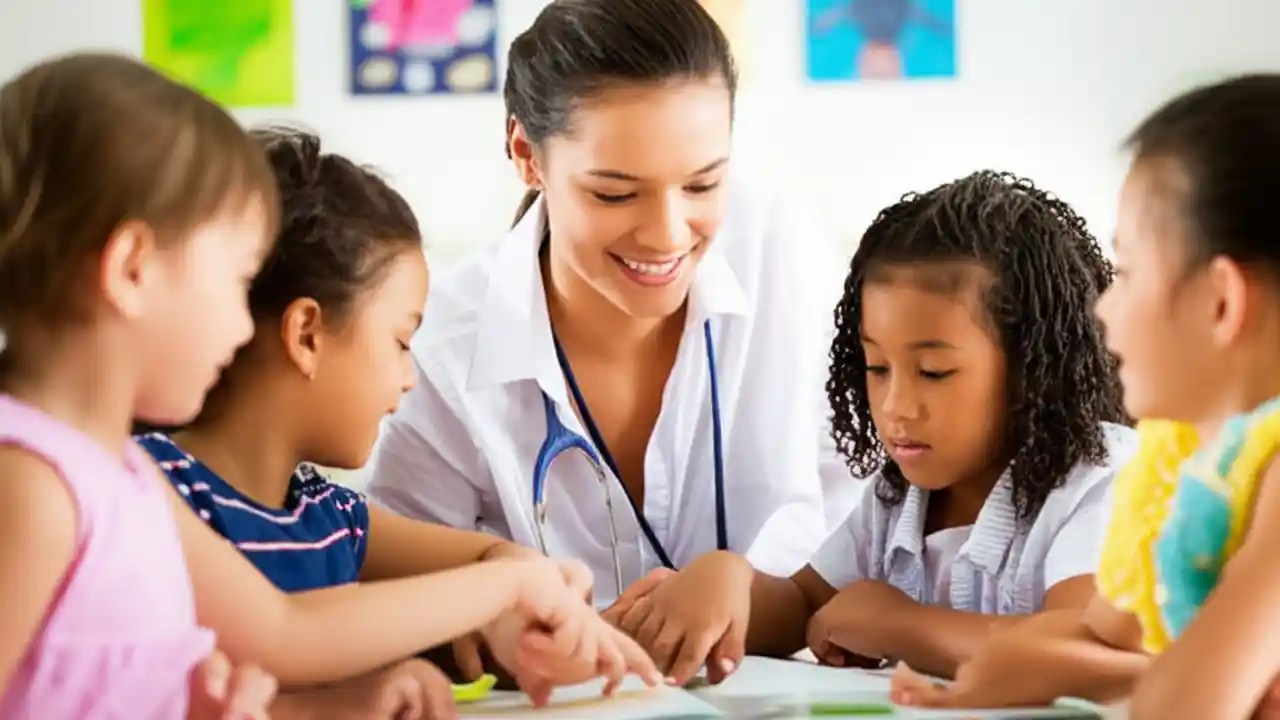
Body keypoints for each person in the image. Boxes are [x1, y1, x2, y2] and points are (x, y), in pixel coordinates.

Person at [0, 52, 658, 719]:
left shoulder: (116, 474)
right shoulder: (29, 484)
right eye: (235, 282)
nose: (241, 325)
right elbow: (288, 633)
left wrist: (326, 706)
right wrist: (510, 585)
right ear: (133, 269)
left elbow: (283, 631)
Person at [366, 0, 850, 634]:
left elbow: (860, 538)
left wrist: (745, 590)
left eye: (702, 186)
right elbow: (402, 592)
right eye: (615, 194)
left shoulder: (787, 263)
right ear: (526, 154)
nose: (666, 234)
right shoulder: (443, 346)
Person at [139, 127, 628, 716]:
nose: (409, 376)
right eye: (401, 341)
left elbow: (494, 559)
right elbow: (283, 640)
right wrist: (506, 590)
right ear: (307, 335)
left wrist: (515, 611)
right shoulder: (152, 491)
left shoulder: (332, 515)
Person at [620, 170, 1135, 685]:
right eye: (877, 368)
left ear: (1034, 370)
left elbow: (1087, 649)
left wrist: (900, 625)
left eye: (934, 373)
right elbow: (805, 604)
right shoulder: (898, 496)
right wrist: (726, 583)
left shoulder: (1100, 481)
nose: (896, 407)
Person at [892, 74, 1280, 720]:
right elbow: (1111, 629)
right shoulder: (1181, 458)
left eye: (1125, 272)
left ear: (1220, 302)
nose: (1104, 306)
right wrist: (996, 673)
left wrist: (1072, 672)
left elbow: (1185, 708)